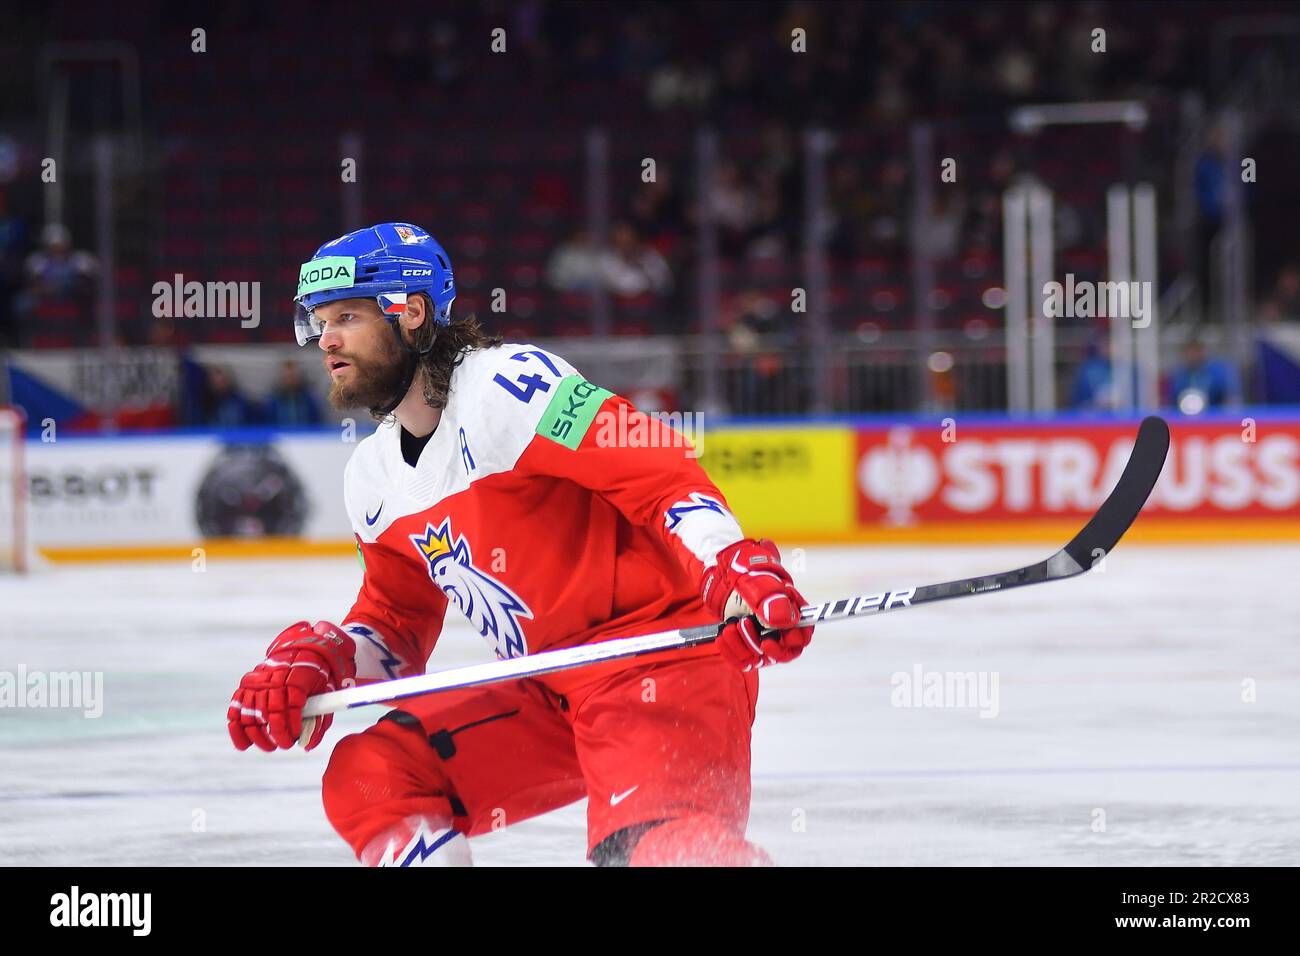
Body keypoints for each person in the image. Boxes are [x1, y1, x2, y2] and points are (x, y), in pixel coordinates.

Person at [227, 222, 814, 867]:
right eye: (319, 321)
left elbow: (654, 469)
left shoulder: (506, 385)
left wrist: (729, 568)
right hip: (544, 684)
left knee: (651, 851)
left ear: (412, 312)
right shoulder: (371, 476)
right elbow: (396, 631)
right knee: (371, 777)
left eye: (348, 316)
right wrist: (331, 657)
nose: (326, 338)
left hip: (657, 660)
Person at [263, 360, 322, 426]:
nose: (290, 380)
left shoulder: (309, 399)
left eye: (292, 376)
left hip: (305, 434)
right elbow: (268, 421)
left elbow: (316, 421)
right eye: (287, 377)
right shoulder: (273, 400)